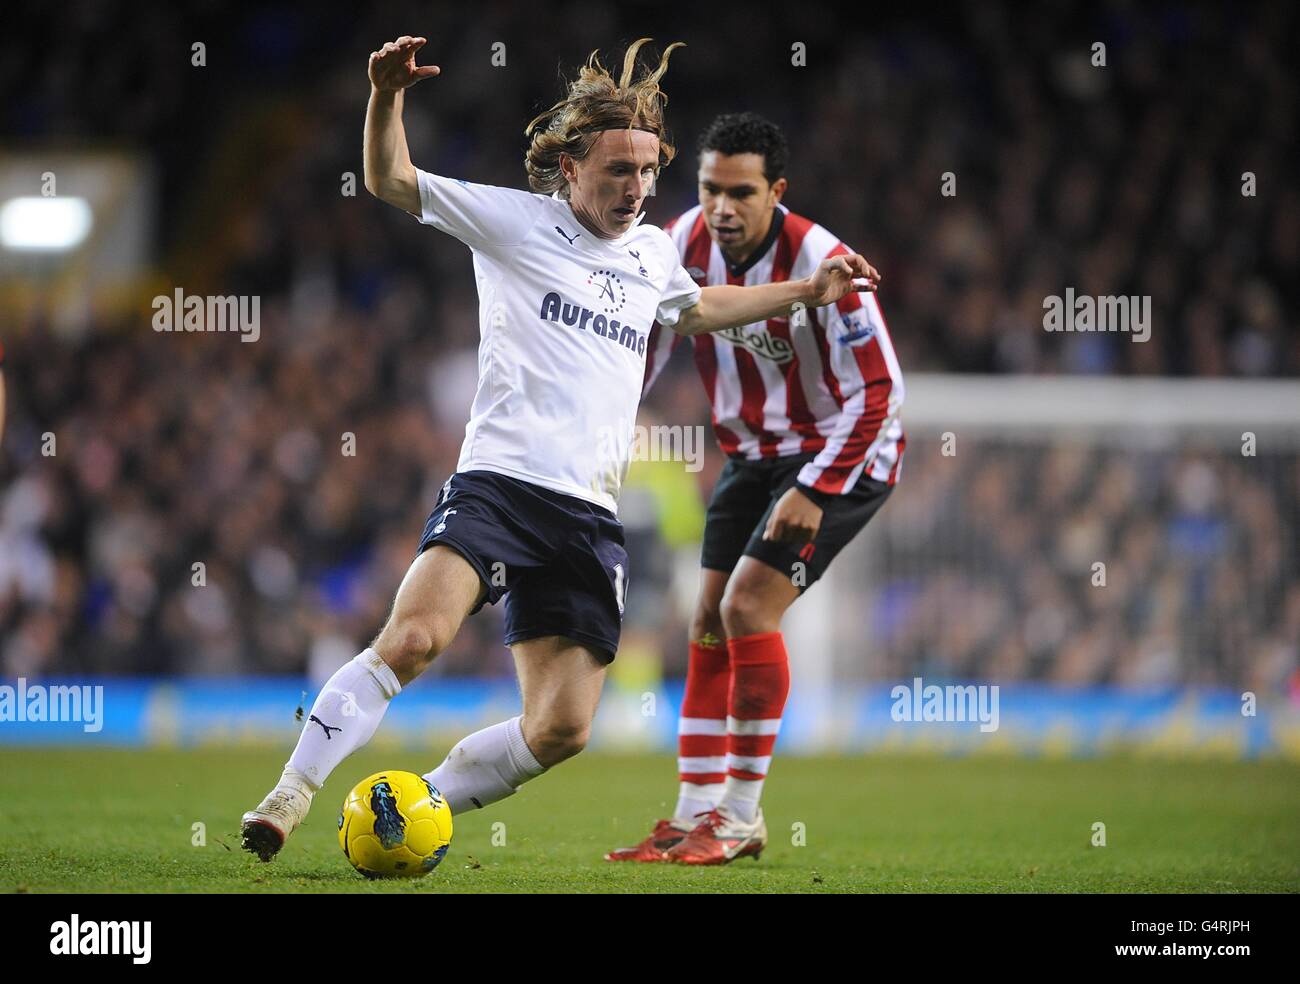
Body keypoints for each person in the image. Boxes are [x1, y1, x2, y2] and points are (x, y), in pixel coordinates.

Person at [241, 38, 881, 862]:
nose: (636, 188)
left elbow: (696, 308)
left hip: (588, 517)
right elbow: (391, 179)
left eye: (647, 170)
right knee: (414, 639)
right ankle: (290, 793)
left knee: (563, 728)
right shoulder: (513, 222)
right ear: (571, 169)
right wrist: (385, 97)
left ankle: (417, 805)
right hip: (499, 487)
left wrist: (804, 290)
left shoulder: (652, 252)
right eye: (618, 170)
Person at [606, 113, 904, 865]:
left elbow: (881, 392)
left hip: (844, 454)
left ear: (777, 192)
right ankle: (692, 815)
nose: (722, 207)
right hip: (751, 454)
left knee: (746, 607)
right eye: (711, 189)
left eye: (741, 192)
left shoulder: (825, 262)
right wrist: (606, 422)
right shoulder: (680, 244)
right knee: (707, 620)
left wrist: (817, 488)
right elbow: (649, 345)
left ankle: (740, 817)